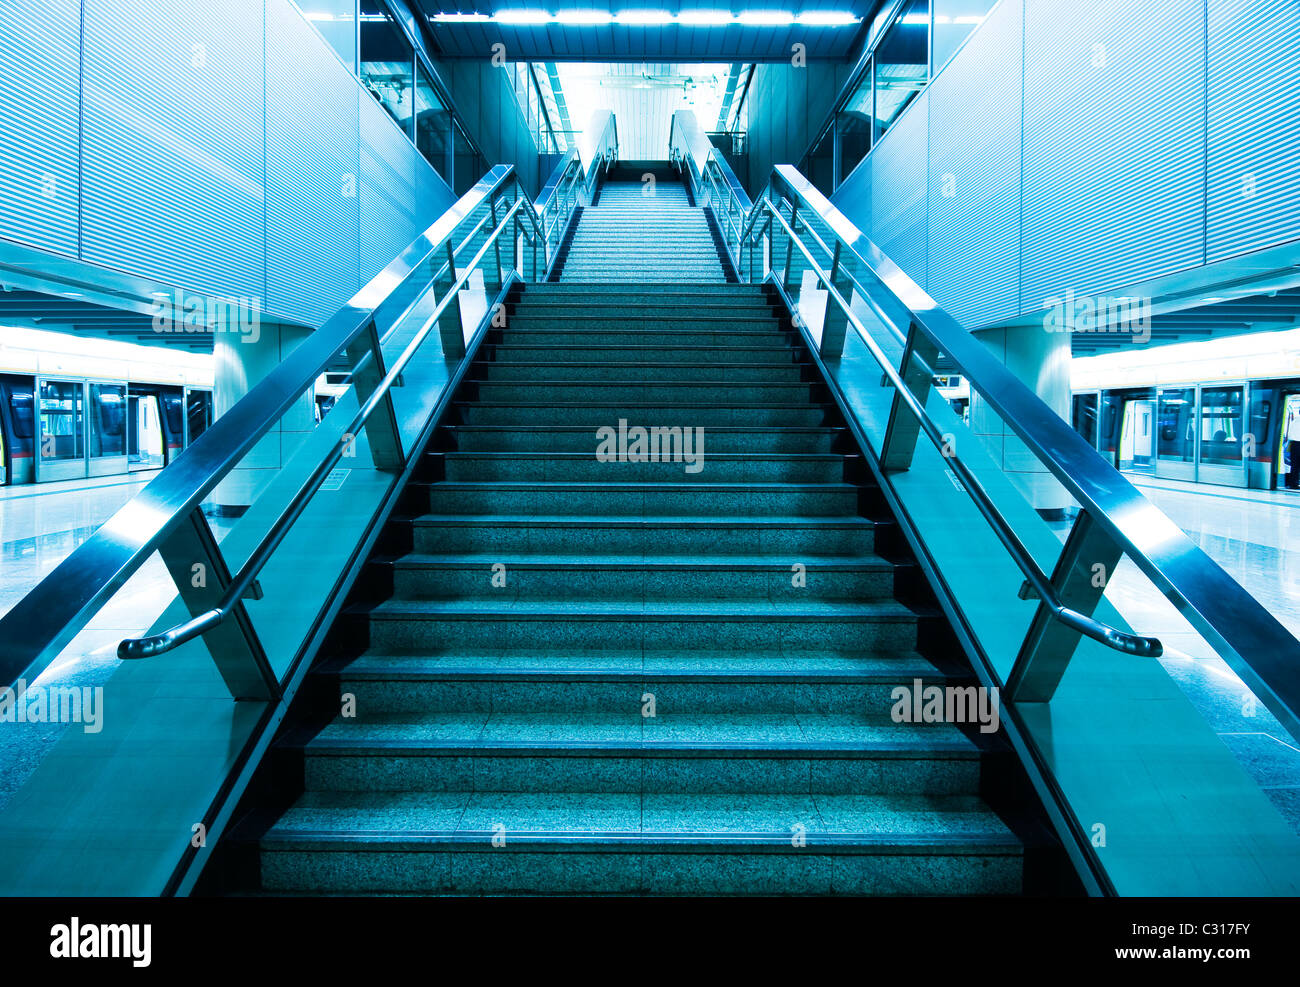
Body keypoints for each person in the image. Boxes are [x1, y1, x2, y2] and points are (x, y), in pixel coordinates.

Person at [1286, 405, 1300, 490]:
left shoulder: (1294, 421)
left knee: (1294, 465)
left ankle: (1293, 484)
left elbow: (1289, 434)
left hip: (1294, 445)